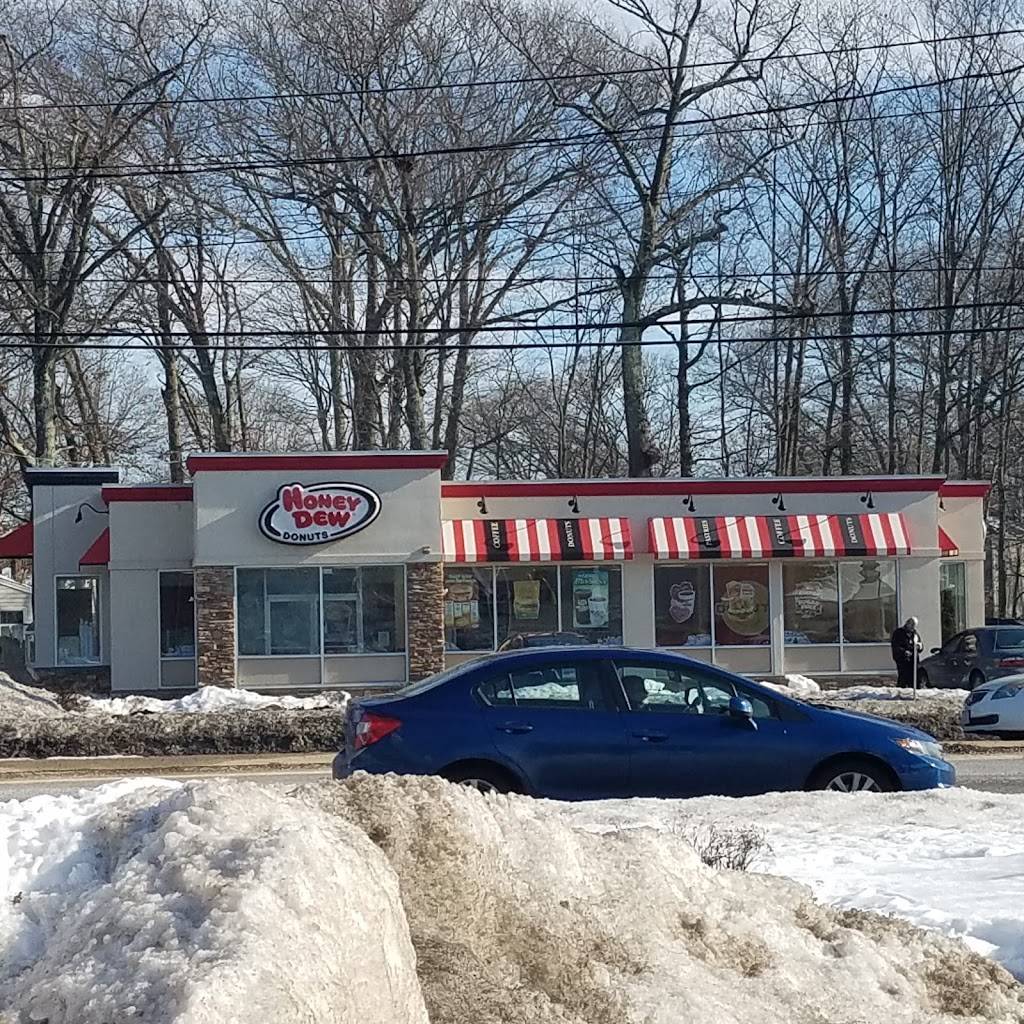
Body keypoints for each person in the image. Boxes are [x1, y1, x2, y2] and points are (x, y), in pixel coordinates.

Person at [891, 617, 923, 688]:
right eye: (911, 625)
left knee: (915, 678)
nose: (912, 627)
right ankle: (902, 692)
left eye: (914, 625)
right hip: (902, 659)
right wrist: (904, 652)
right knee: (903, 677)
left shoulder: (915, 634)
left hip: (913, 660)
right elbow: (896, 646)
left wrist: (919, 647)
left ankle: (914, 691)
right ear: (907, 623)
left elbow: (920, 644)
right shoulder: (898, 633)